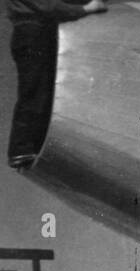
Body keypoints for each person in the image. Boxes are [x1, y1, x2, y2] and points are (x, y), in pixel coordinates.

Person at [6, 0, 106, 169]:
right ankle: (23, 149)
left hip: (37, 30)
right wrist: (86, 8)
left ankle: (28, 150)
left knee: (42, 93)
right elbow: (47, 6)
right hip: (33, 31)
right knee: (36, 92)